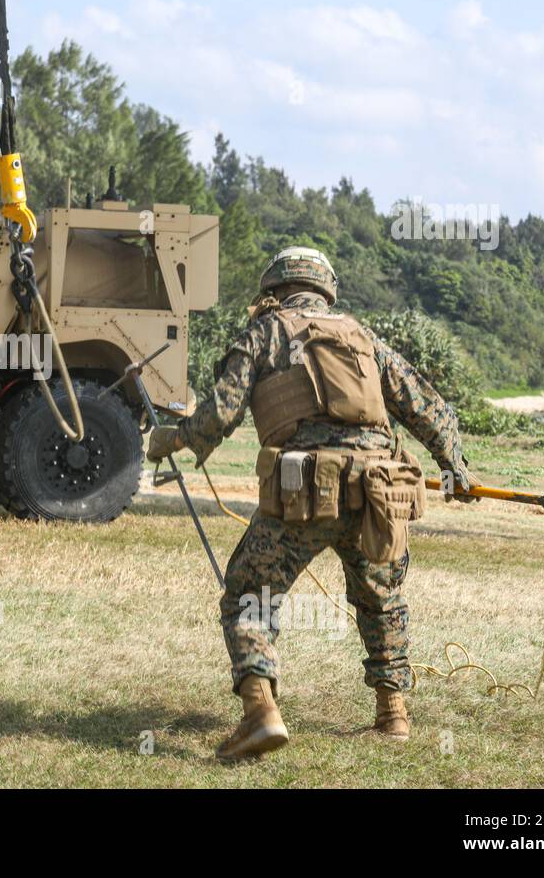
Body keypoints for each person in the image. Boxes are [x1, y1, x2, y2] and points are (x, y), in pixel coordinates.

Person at [148, 247, 479, 760]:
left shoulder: (265, 331)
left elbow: (222, 412)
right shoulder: (361, 336)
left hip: (305, 490)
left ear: (273, 289)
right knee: (381, 598)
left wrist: (175, 438)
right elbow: (426, 404)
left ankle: (261, 714)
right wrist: (454, 465)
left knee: (247, 595)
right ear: (327, 289)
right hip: (378, 491)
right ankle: (393, 716)